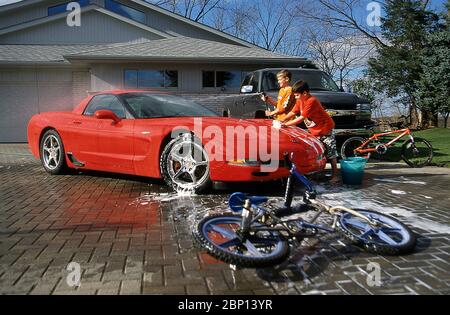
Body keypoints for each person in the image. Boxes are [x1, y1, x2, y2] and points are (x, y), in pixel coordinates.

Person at [282, 80, 339, 184]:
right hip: (315, 131)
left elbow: (301, 118)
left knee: (331, 153)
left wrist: (286, 124)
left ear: (305, 93)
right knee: (317, 152)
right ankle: (316, 173)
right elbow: (293, 112)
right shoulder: (300, 101)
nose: (295, 97)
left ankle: (335, 175)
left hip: (325, 129)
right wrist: (283, 120)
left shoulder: (312, 101)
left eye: (296, 95)